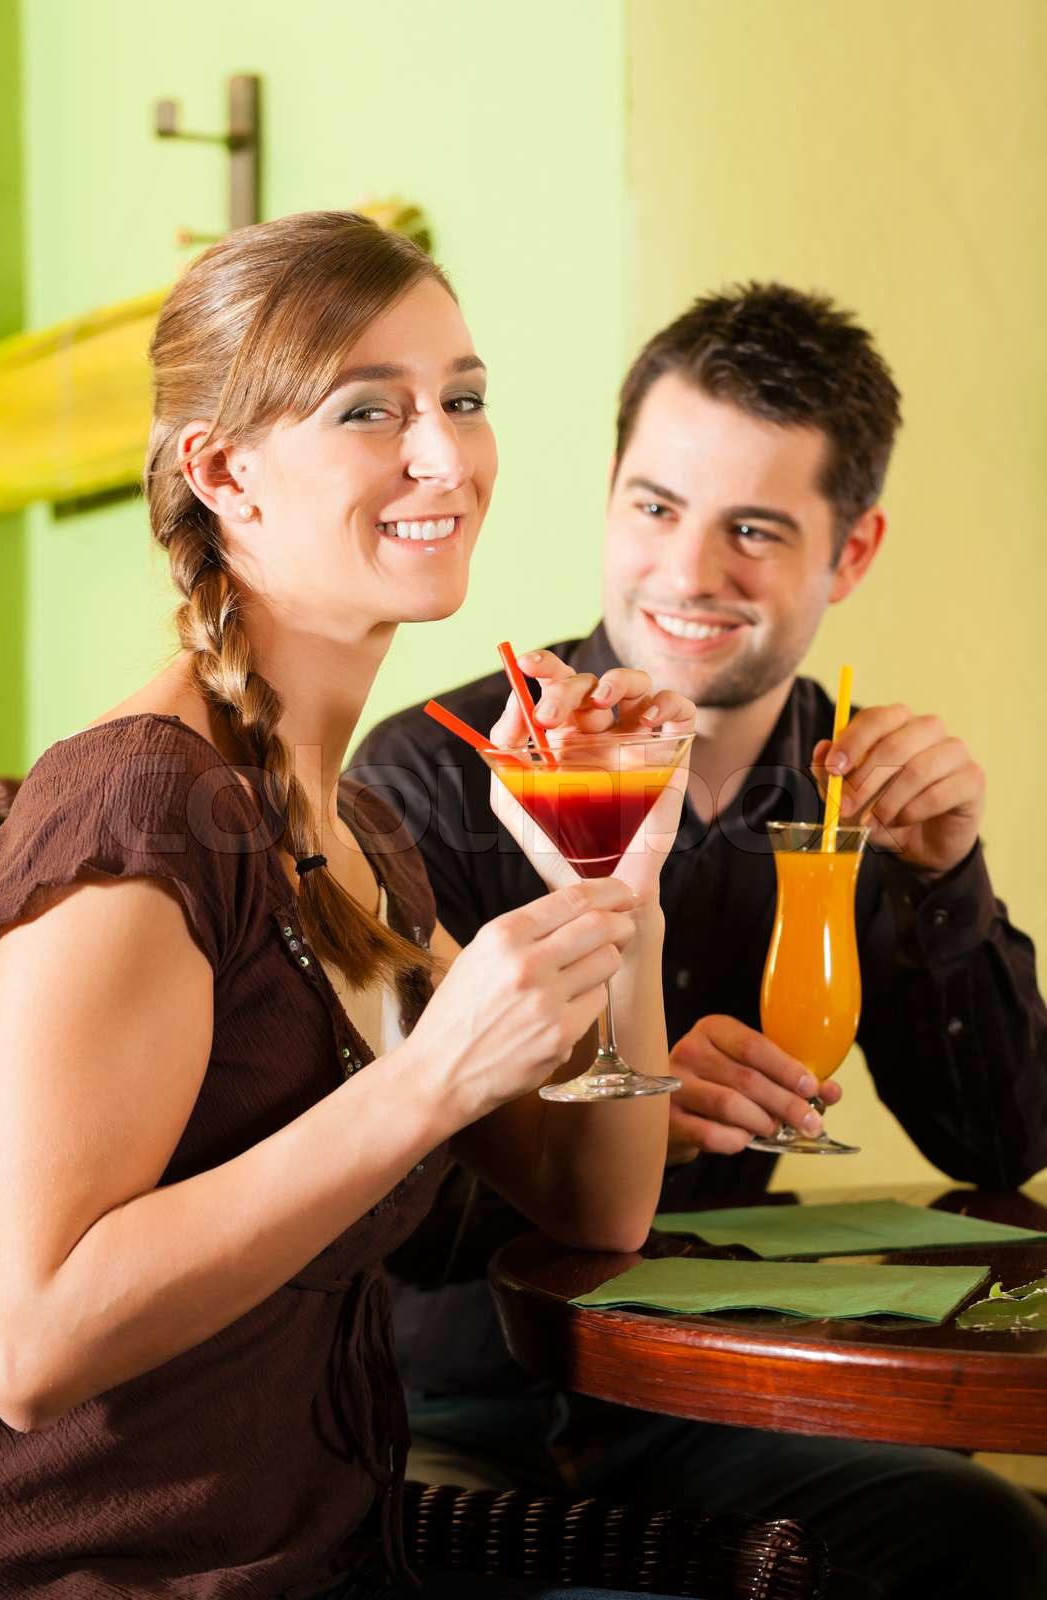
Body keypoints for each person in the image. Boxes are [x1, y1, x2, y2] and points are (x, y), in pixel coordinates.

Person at [0, 212, 698, 1600]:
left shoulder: (351, 831)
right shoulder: (138, 811)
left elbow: (594, 1207)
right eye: (373, 410)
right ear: (223, 471)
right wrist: (424, 1084)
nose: (447, 455)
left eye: (465, 400)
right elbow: (30, 1345)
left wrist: (624, 892)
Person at [351, 283, 1047, 1600]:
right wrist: (611, 1122)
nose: (685, 573)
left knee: (993, 1540)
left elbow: (1001, 1144)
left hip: (715, 1396)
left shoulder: (848, 800)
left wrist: (949, 878)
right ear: (611, 493)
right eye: (656, 508)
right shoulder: (435, 782)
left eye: (757, 531)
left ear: (849, 555)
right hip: (455, 1408)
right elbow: (392, 1217)